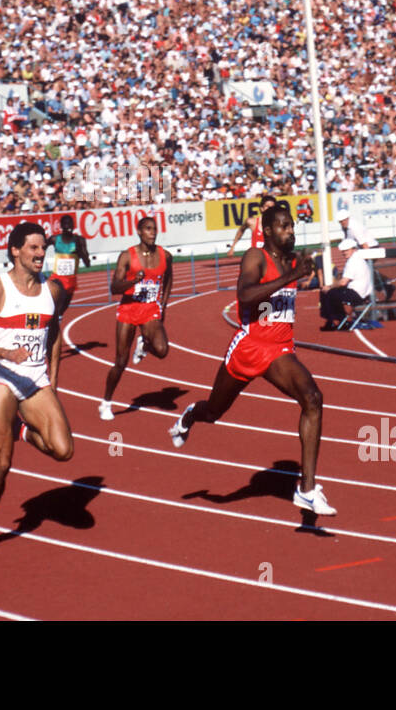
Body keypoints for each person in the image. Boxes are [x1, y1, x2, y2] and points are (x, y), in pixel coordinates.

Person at [169, 206, 336, 515]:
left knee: (313, 398)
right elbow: (245, 297)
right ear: (269, 231)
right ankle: (191, 414)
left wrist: (309, 269)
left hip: (281, 349)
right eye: (284, 226)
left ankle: (307, 489)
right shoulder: (255, 257)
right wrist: (291, 275)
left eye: (292, 225)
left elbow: (303, 271)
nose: (290, 230)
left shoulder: (294, 259)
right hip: (250, 346)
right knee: (214, 412)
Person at [0, 222, 74, 554]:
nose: (42, 254)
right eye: (34, 248)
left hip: (35, 377)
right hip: (1, 376)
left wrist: (53, 378)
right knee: (2, 462)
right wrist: (4, 353)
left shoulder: (52, 291)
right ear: (15, 250)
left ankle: (23, 430)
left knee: (63, 451)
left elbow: (54, 333)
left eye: (44, 248)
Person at [99, 216, 172, 420]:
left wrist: (163, 304)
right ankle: (106, 402)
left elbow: (169, 279)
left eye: (154, 229)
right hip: (129, 310)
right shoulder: (127, 256)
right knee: (121, 361)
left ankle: (146, 344)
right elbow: (114, 288)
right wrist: (133, 280)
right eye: (148, 229)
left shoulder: (166, 255)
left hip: (150, 310)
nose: (152, 232)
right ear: (139, 232)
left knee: (162, 350)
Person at [319, 238, 372, 330]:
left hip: (357, 294)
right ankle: (338, 320)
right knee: (333, 293)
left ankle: (334, 321)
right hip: (362, 293)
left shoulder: (353, 261)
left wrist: (329, 287)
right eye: (343, 251)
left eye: (346, 250)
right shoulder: (358, 259)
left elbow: (343, 282)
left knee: (329, 293)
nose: (344, 253)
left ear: (354, 249)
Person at [45, 214, 91, 318]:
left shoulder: (79, 240)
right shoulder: (54, 239)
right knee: (55, 306)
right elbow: (42, 248)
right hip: (57, 278)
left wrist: (80, 251)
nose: (68, 226)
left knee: (61, 311)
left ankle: (57, 320)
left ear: (74, 226)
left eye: (70, 224)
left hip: (71, 281)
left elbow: (87, 264)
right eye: (65, 224)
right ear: (61, 226)